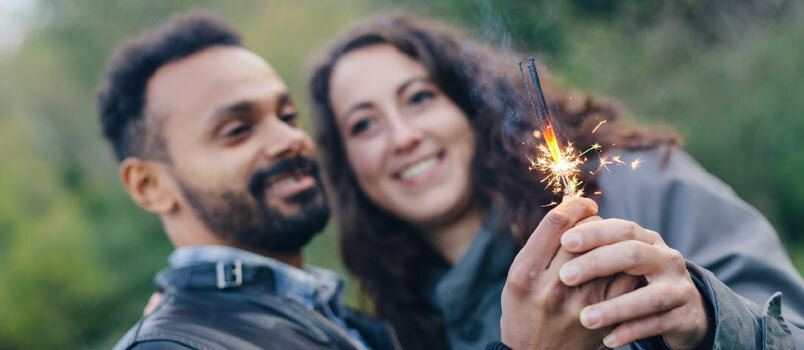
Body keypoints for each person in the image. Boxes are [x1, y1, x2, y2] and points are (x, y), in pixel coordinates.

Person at [307, 13, 804, 349]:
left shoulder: (639, 186)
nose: (403, 136)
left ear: (467, 106)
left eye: (418, 97)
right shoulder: (391, 326)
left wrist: (707, 321)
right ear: (347, 165)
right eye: (364, 124)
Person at [98, 13, 400, 350]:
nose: (289, 138)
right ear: (149, 186)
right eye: (237, 131)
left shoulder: (341, 317)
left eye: (287, 116)